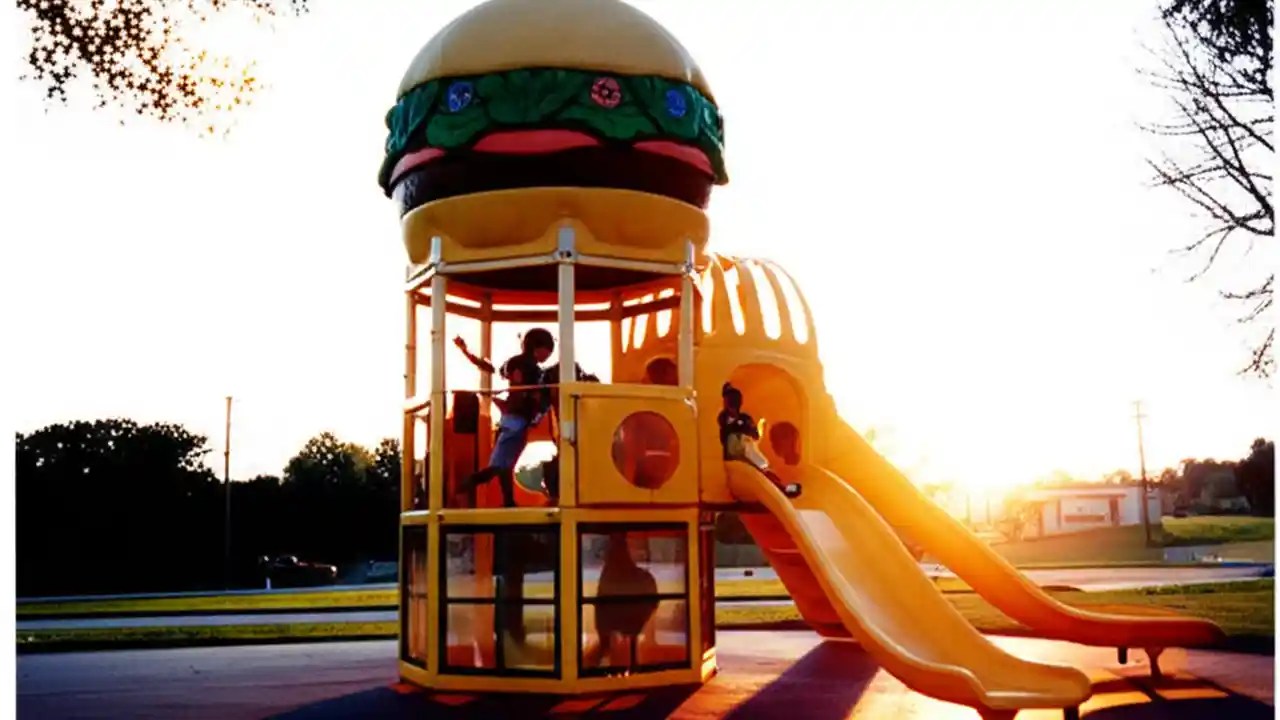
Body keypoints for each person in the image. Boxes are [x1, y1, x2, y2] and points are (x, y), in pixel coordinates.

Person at [454, 328, 556, 507]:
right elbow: (537, 394)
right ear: (538, 348)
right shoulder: (533, 369)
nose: (548, 356)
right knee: (499, 465)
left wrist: (466, 352)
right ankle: (471, 481)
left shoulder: (513, 363)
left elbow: (492, 368)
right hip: (517, 419)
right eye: (548, 350)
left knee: (506, 464)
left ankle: (508, 500)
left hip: (510, 418)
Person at [718, 383, 801, 498]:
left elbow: (754, 435)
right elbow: (724, 435)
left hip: (744, 452)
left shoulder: (745, 418)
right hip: (734, 451)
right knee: (747, 447)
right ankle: (775, 480)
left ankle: (780, 485)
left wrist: (749, 429)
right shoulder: (722, 419)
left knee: (759, 466)